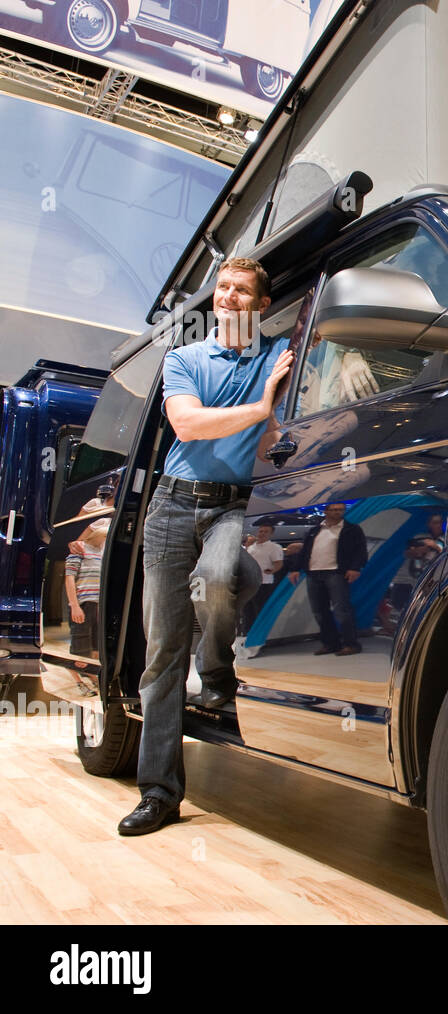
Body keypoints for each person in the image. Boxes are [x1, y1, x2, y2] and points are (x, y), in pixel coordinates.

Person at [117, 256, 294, 837]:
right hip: (172, 503)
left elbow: (329, 363)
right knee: (162, 650)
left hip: (233, 503)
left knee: (220, 578)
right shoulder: (185, 359)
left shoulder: (277, 355)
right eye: (222, 289)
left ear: (261, 304)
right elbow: (188, 426)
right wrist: (261, 407)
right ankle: (159, 792)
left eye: (242, 291)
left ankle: (216, 672)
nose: (228, 298)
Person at [288, 502, 367, 656]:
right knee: (319, 611)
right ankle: (330, 643)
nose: (338, 512)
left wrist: (355, 567)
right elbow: (305, 551)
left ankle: (351, 644)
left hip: (336, 573)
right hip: (313, 573)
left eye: (341, 510)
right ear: (326, 511)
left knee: (341, 610)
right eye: (334, 510)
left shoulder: (351, 529)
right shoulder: (315, 530)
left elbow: (360, 550)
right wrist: (295, 568)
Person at [65, 519, 108, 664]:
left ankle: (91, 678)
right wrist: (74, 605)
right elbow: (69, 578)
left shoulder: (101, 554)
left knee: (96, 646)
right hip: (83, 602)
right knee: (80, 645)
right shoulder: (80, 549)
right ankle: (78, 680)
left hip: (98, 604)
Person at [240, 522, 284, 639]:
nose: (262, 533)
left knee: (261, 610)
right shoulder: (251, 547)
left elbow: (278, 563)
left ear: (271, 534)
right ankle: (247, 634)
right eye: (261, 531)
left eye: (266, 531)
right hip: (248, 584)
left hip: (264, 583)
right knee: (247, 611)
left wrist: (272, 570)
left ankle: (262, 636)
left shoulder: (274, 547)